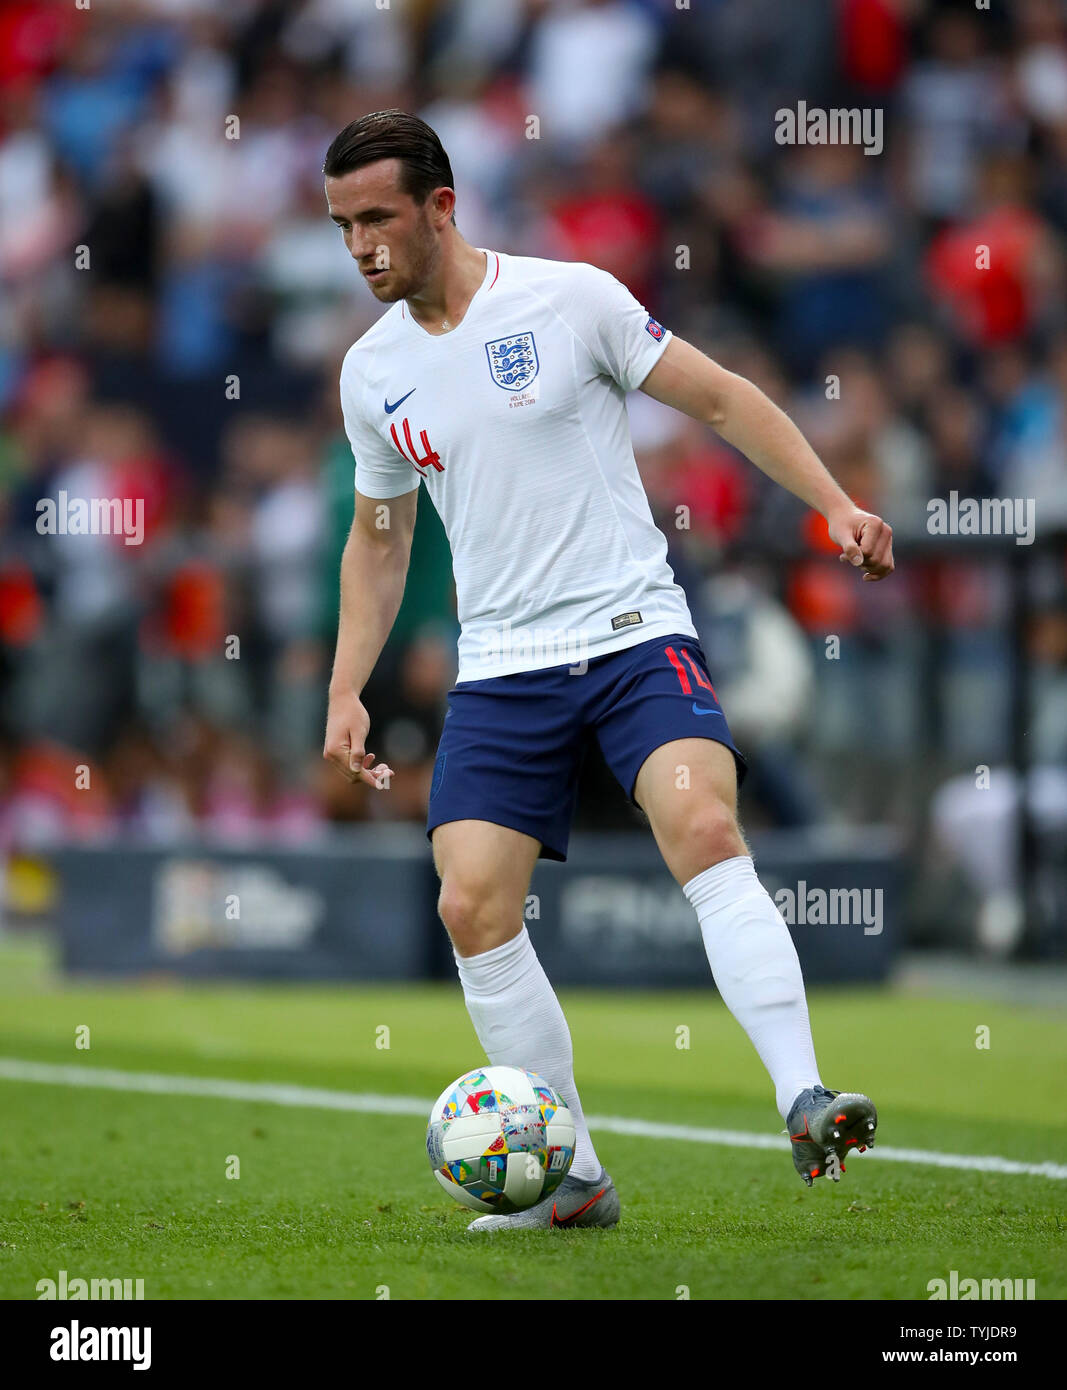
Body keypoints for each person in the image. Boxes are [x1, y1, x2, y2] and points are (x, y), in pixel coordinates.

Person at [322, 111, 893, 1230]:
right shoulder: (370, 374)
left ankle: (803, 1095)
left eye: (378, 217)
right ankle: (572, 1176)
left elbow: (721, 397)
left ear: (441, 205)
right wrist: (346, 684)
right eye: (342, 225)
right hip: (500, 668)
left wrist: (832, 505)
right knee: (471, 903)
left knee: (705, 831)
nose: (360, 247)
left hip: (633, 635)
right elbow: (378, 541)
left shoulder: (569, 299)